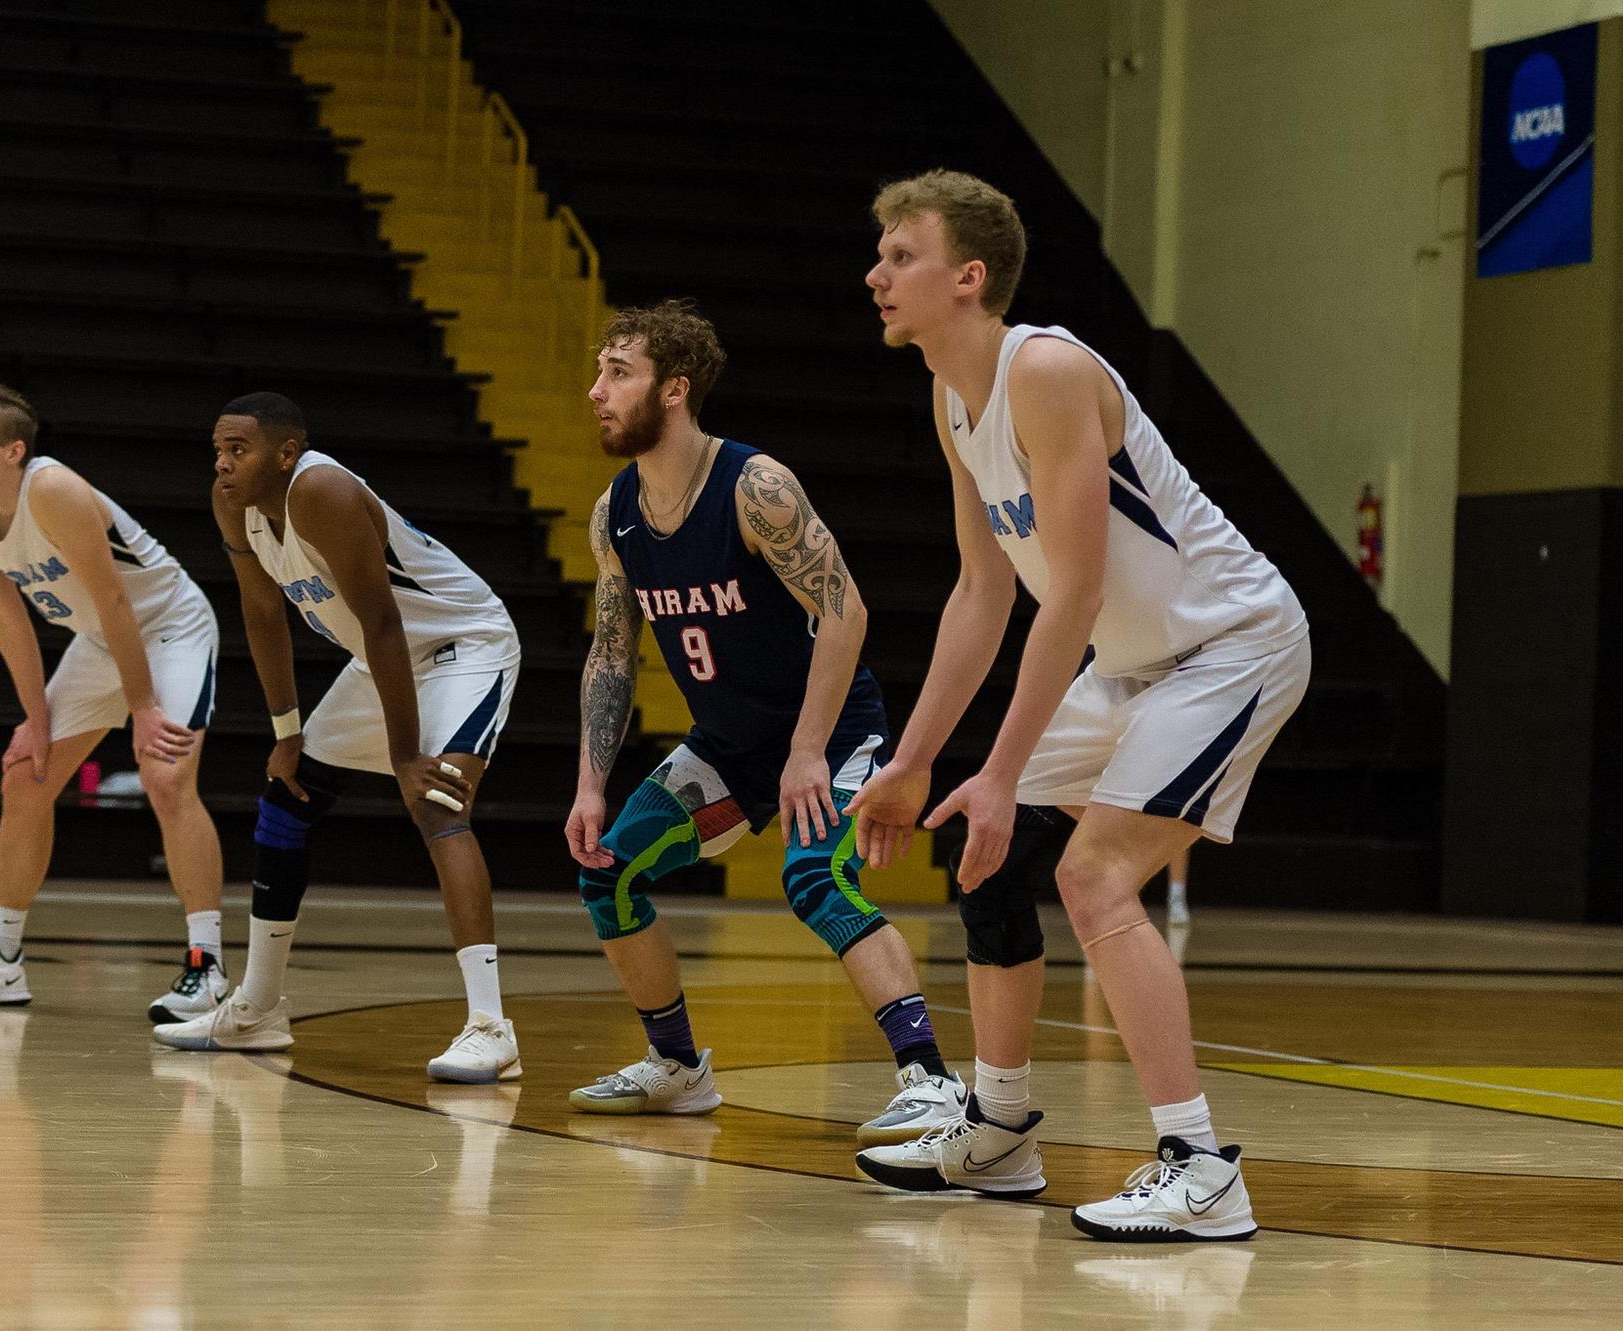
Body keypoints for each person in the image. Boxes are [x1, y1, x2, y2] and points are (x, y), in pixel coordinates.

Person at [848, 171, 1309, 1241]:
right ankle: (1000, 1127)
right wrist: (919, 761)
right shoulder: (948, 394)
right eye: (877, 252)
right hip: (1130, 660)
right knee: (987, 850)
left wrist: (1004, 771)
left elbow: (1078, 588)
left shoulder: (1044, 369)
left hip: (1227, 645)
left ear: (967, 277)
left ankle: (1198, 1166)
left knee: (1091, 871)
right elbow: (983, 590)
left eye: (899, 254)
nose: (875, 273)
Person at [565, 300, 962, 1145]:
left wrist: (810, 750)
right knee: (609, 871)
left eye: (617, 372)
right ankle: (677, 1065)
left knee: (815, 880)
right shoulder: (616, 514)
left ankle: (932, 1083)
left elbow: (845, 610)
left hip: (830, 731)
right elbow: (610, 652)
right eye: (599, 370)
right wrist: (591, 784)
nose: (595, 389)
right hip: (730, 744)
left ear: (674, 390)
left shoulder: (755, 485)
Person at [153, 393, 524, 1084]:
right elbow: (263, 613)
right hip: (383, 657)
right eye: (218, 449)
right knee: (286, 797)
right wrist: (287, 731)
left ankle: (491, 1027)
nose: (223, 462)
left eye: (239, 449)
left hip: (460, 645)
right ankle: (258, 1007)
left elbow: (383, 621)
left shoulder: (320, 488)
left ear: (286, 453)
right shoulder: (231, 504)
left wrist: (406, 757)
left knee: (439, 806)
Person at [0, 385, 226, 1022]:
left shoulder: (52, 490)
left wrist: (143, 707)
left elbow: (116, 601)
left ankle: (208, 966)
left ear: (14, 450)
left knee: (166, 777)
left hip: (167, 628)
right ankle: (0, 959)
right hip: (98, 642)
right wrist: (35, 719)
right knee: (24, 778)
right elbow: (8, 620)